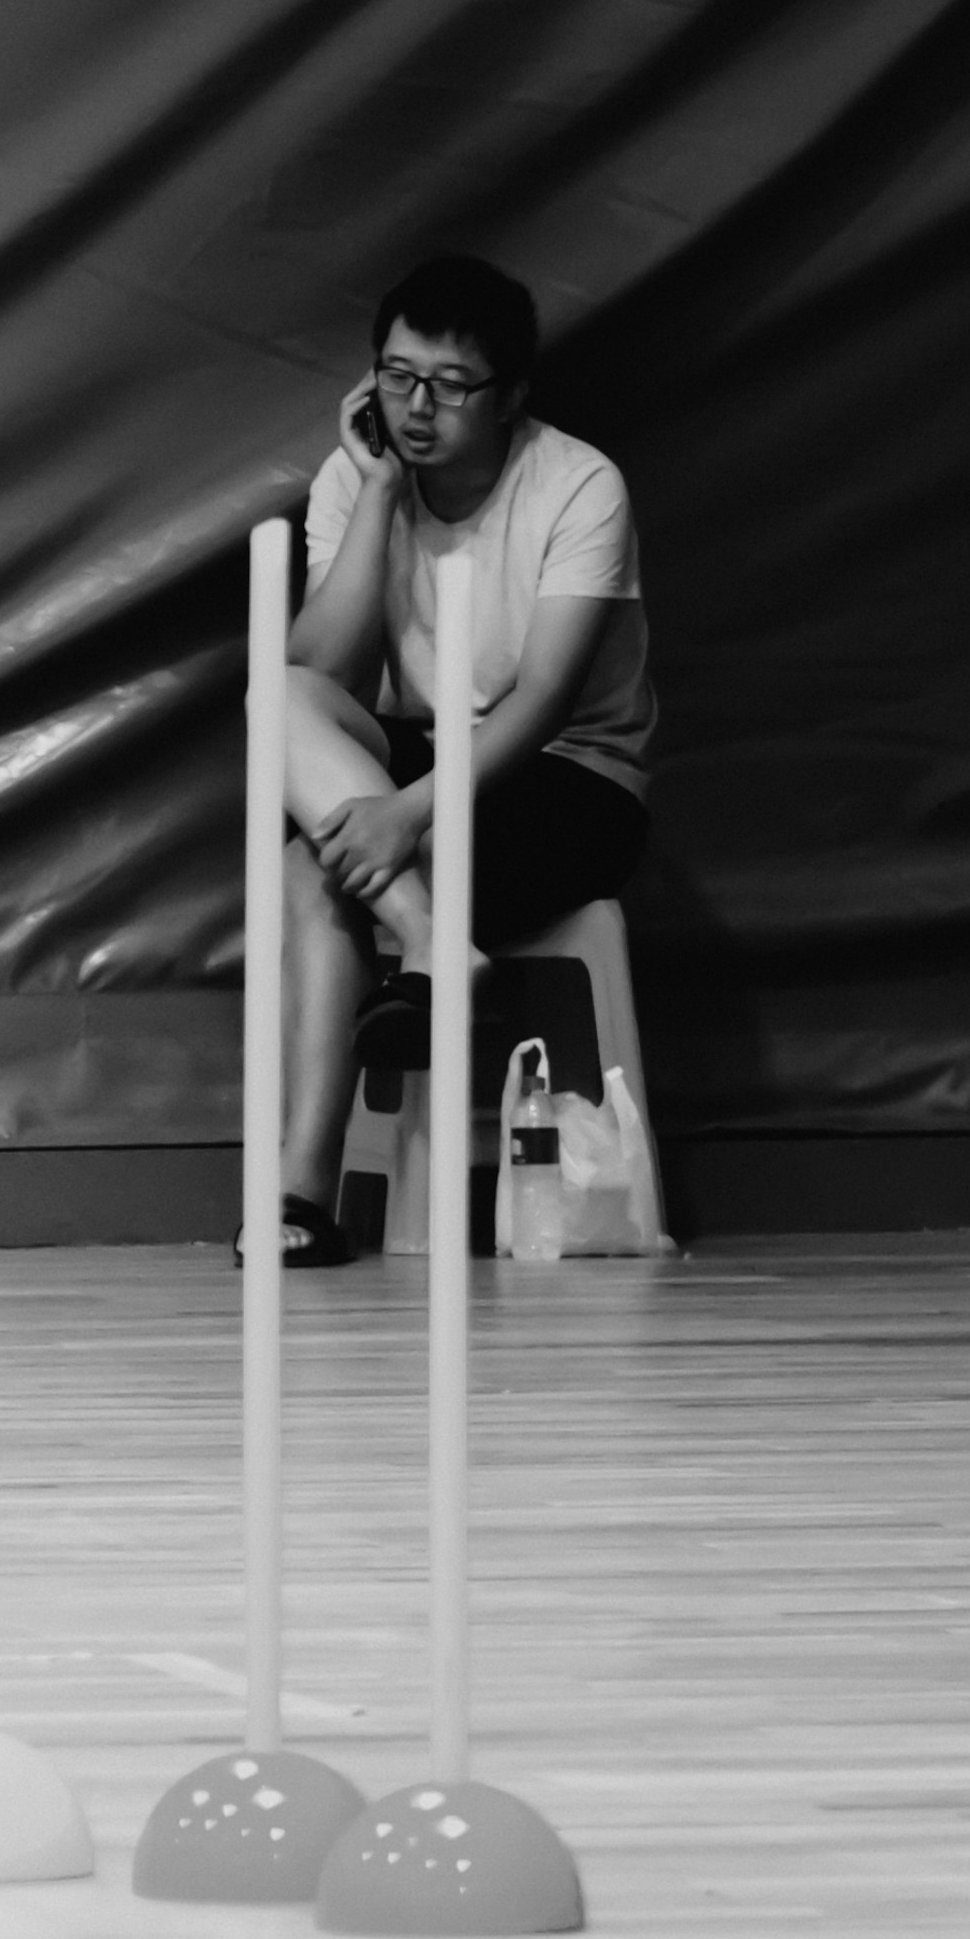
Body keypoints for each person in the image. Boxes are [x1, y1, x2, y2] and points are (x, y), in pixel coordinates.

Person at [263, 255, 659, 1265]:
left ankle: (301, 1187)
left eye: (448, 383)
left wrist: (408, 815)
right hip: (415, 756)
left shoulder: (580, 484)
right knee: (281, 707)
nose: (417, 406)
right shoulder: (360, 473)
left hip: (566, 777)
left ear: (511, 395)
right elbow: (321, 672)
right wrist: (382, 495)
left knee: (320, 860)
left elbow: (542, 701)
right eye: (397, 377)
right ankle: (302, 1193)